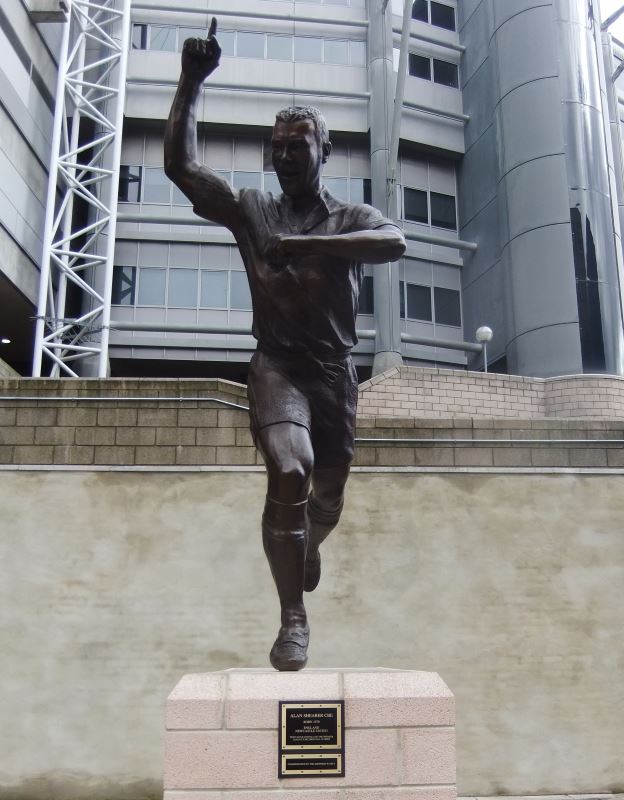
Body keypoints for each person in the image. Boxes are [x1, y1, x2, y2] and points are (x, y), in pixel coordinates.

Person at [164, 18, 406, 671]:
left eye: (297, 146)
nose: (284, 157)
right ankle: (292, 616)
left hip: (333, 376)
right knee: (290, 471)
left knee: (327, 491)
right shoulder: (251, 210)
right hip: (277, 369)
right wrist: (191, 81)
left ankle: (308, 544)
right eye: (277, 148)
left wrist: (302, 245)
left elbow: (394, 243)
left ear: (325, 151)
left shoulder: (350, 218)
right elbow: (182, 168)